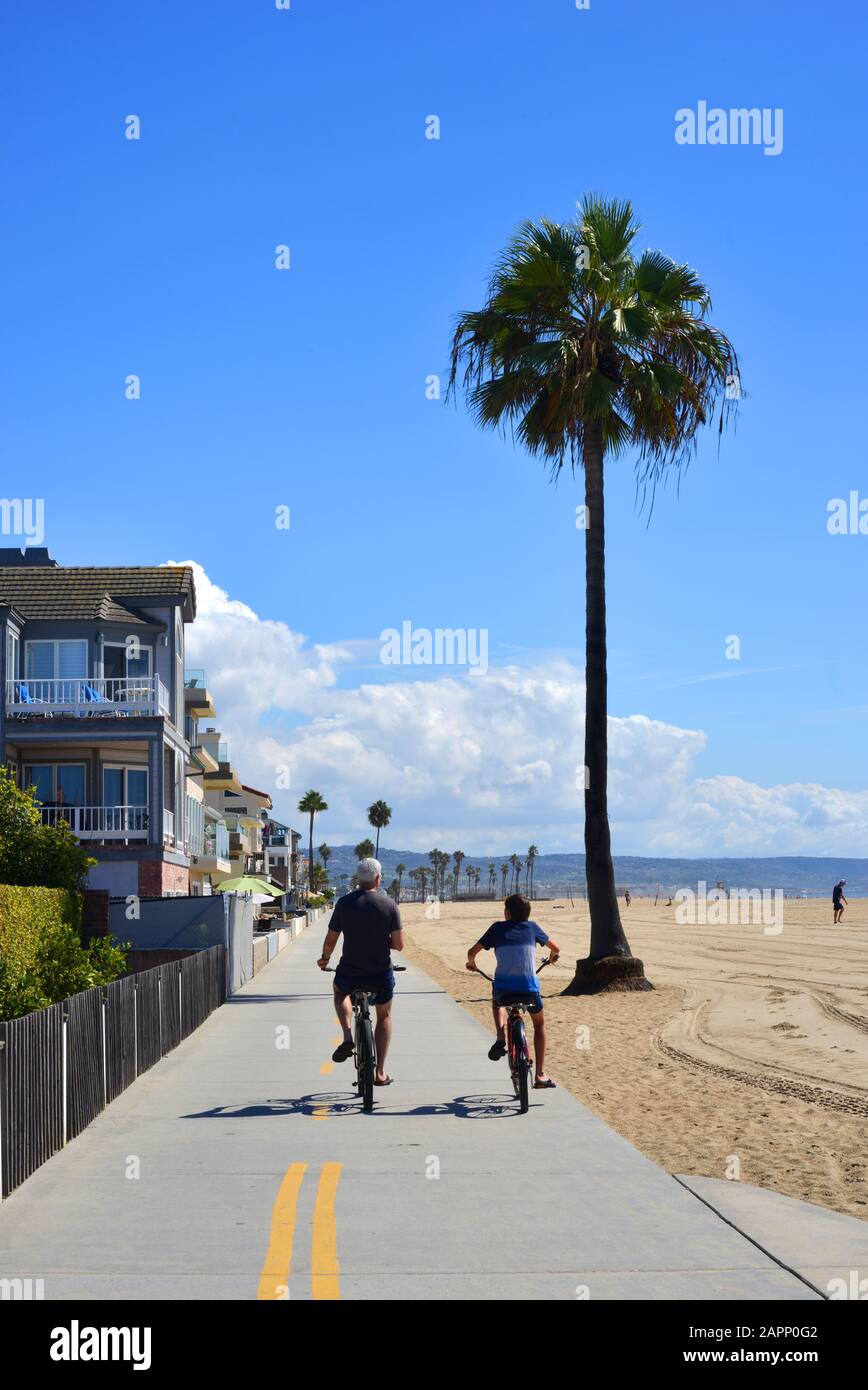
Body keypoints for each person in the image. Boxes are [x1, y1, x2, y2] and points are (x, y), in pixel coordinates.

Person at [317, 857, 403, 1086]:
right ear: (378, 878)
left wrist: (325, 960)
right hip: (380, 973)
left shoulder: (344, 904)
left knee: (339, 992)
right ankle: (380, 1073)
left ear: (358, 878)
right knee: (383, 1015)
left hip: (350, 971)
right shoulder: (389, 906)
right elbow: (399, 945)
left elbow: (330, 940)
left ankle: (347, 1036)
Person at [466, 893, 560, 1090]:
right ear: (528, 914)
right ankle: (540, 1075)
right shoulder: (533, 927)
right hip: (529, 989)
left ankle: (501, 1036)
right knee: (539, 1023)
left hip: (504, 989)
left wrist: (472, 964)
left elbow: (472, 952)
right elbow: (556, 948)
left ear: (507, 913)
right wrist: (551, 958)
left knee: (496, 999)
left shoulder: (497, 928)